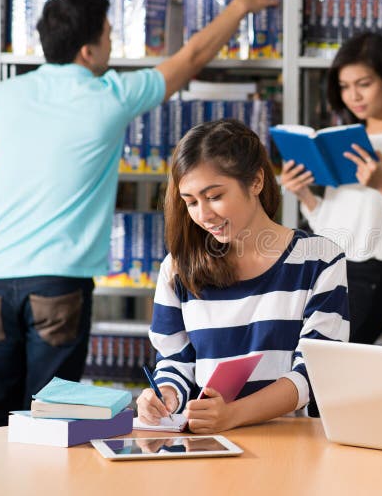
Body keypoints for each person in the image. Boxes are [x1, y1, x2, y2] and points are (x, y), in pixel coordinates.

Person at [0, 0, 278, 427]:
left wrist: (15, 197)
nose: (110, 45)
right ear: (88, 51)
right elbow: (193, 58)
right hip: (57, 280)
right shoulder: (109, 95)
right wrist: (242, 4)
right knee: (50, 415)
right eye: (108, 35)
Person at [136, 119, 349, 432]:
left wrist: (233, 414)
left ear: (256, 182)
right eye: (191, 202)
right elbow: (175, 362)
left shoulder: (319, 259)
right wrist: (165, 396)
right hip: (207, 443)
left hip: (288, 443)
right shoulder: (177, 268)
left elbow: (316, 373)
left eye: (214, 196)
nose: (203, 215)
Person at [280, 32, 382, 345]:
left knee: (329, 372)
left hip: (369, 277)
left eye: (364, 84)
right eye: (344, 86)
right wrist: (304, 195)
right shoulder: (344, 137)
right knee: (305, 372)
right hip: (323, 268)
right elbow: (330, 226)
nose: (353, 96)